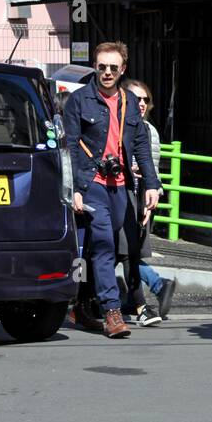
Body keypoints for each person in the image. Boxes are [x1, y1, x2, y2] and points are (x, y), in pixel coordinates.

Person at [63, 42, 161, 339]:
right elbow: (69, 146)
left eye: (113, 67)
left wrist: (152, 185)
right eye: (102, 66)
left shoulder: (130, 102)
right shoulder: (79, 101)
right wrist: (75, 189)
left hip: (121, 186)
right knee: (105, 243)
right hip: (91, 182)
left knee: (110, 247)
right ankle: (112, 313)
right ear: (95, 66)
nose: (106, 72)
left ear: (123, 70)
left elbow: (142, 146)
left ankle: (81, 303)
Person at [123, 79, 176, 326]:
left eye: (145, 100)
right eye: (137, 99)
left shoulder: (146, 130)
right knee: (119, 253)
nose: (142, 104)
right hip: (127, 199)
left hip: (140, 201)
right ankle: (132, 297)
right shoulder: (125, 125)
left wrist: (146, 203)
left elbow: (150, 171)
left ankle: (155, 286)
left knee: (123, 254)